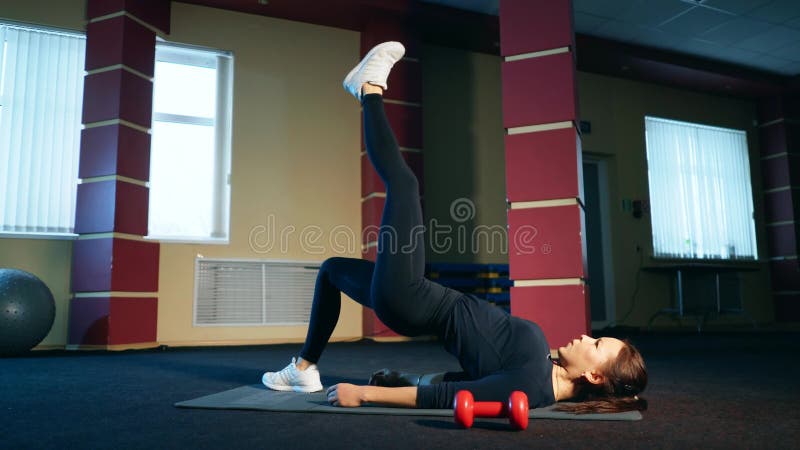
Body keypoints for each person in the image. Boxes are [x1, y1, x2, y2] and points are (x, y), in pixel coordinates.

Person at [262, 42, 648, 414]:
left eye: (596, 343)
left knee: (404, 184)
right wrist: (405, 378)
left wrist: (365, 394)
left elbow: (454, 395)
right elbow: (466, 378)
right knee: (332, 271)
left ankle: (369, 88)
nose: (585, 336)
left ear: (595, 375)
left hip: (412, 299)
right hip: (416, 299)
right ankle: (301, 370)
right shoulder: (540, 372)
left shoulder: (533, 387)